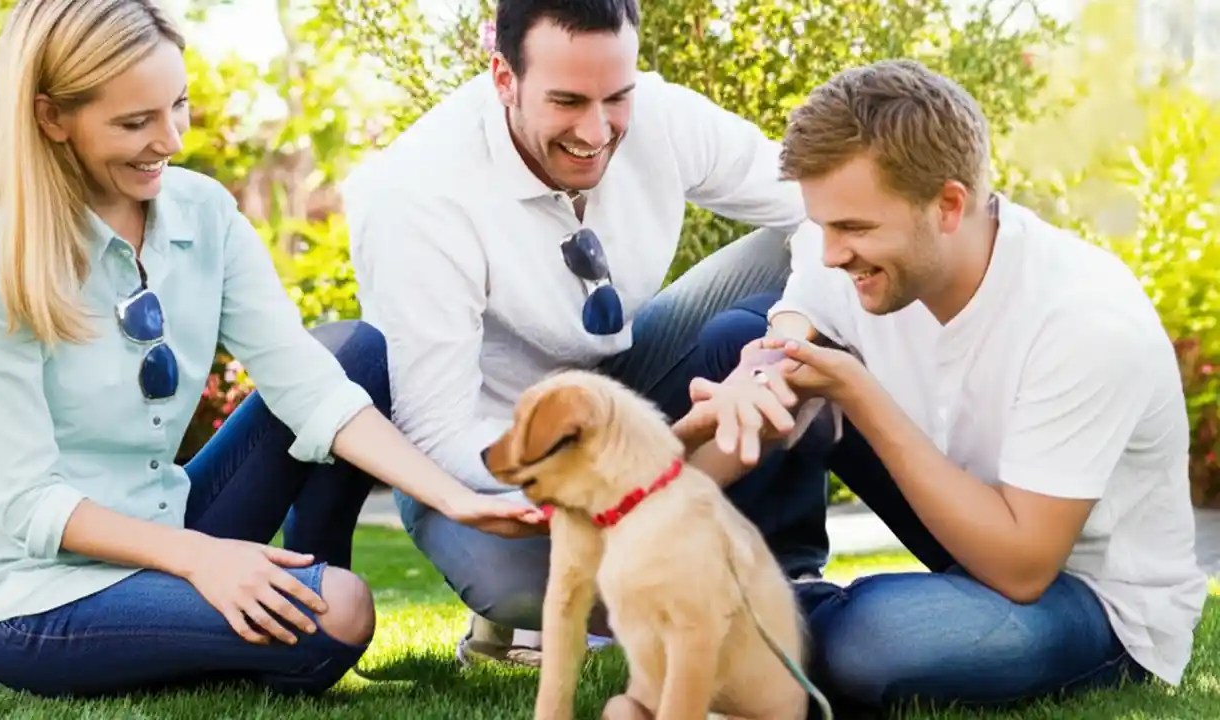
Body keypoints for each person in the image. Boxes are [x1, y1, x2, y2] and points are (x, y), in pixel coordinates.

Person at [0, 0, 540, 699]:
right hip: (37, 596)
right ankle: (294, 619)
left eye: (179, 106)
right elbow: (24, 502)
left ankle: (302, 588)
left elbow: (310, 387)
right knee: (341, 609)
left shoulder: (203, 215)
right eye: (135, 123)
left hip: (169, 522)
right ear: (51, 118)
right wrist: (202, 559)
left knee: (357, 352)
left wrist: (456, 497)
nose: (169, 139)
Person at [682, 59, 1209, 714]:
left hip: (1082, 592)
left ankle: (752, 631)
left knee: (875, 643)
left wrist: (859, 395)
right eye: (823, 225)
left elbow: (1023, 567)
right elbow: (799, 305)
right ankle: (758, 601)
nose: (831, 252)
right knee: (741, 337)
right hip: (969, 522)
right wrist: (759, 371)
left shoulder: (1083, 320)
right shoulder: (869, 259)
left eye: (853, 229)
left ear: (949, 205)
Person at [341, 0, 835, 665]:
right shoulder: (420, 197)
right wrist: (614, 485)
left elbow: (819, 205)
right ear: (504, 79)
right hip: (486, 458)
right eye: (567, 101)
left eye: (617, 97)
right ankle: (517, 621)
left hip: (619, 386)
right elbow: (437, 433)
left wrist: (781, 339)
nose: (597, 130)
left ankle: (790, 567)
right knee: (523, 587)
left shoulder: (661, 116)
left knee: (818, 245)